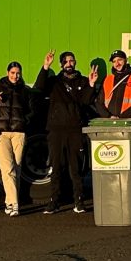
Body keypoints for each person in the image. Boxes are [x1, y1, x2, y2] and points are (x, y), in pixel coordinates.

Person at [34, 50, 98, 214]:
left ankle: (79, 201)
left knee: (76, 169)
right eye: (66, 61)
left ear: (75, 62)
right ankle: (54, 202)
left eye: (72, 61)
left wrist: (91, 85)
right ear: (61, 64)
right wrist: (45, 66)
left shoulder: (83, 81)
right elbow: (38, 88)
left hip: (75, 129)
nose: (69, 64)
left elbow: (86, 101)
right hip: (56, 130)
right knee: (56, 168)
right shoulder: (54, 82)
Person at [0, 62, 35, 217]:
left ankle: (10, 202)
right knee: (7, 169)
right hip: (2, 134)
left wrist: (24, 122)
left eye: (18, 73)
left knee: (16, 169)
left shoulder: (25, 91)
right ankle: (14, 204)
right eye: (13, 73)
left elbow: (33, 110)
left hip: (19, 134)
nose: (15, 76)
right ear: (7, 73)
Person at [95, 49, 131, 119]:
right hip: (109, 121)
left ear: (126, 60)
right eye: (114, 61)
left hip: (128, 120)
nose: (117, 63)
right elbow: (99, 102)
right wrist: (109, 116)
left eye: (120, 60)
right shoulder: (107, 79)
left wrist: (121, 117)